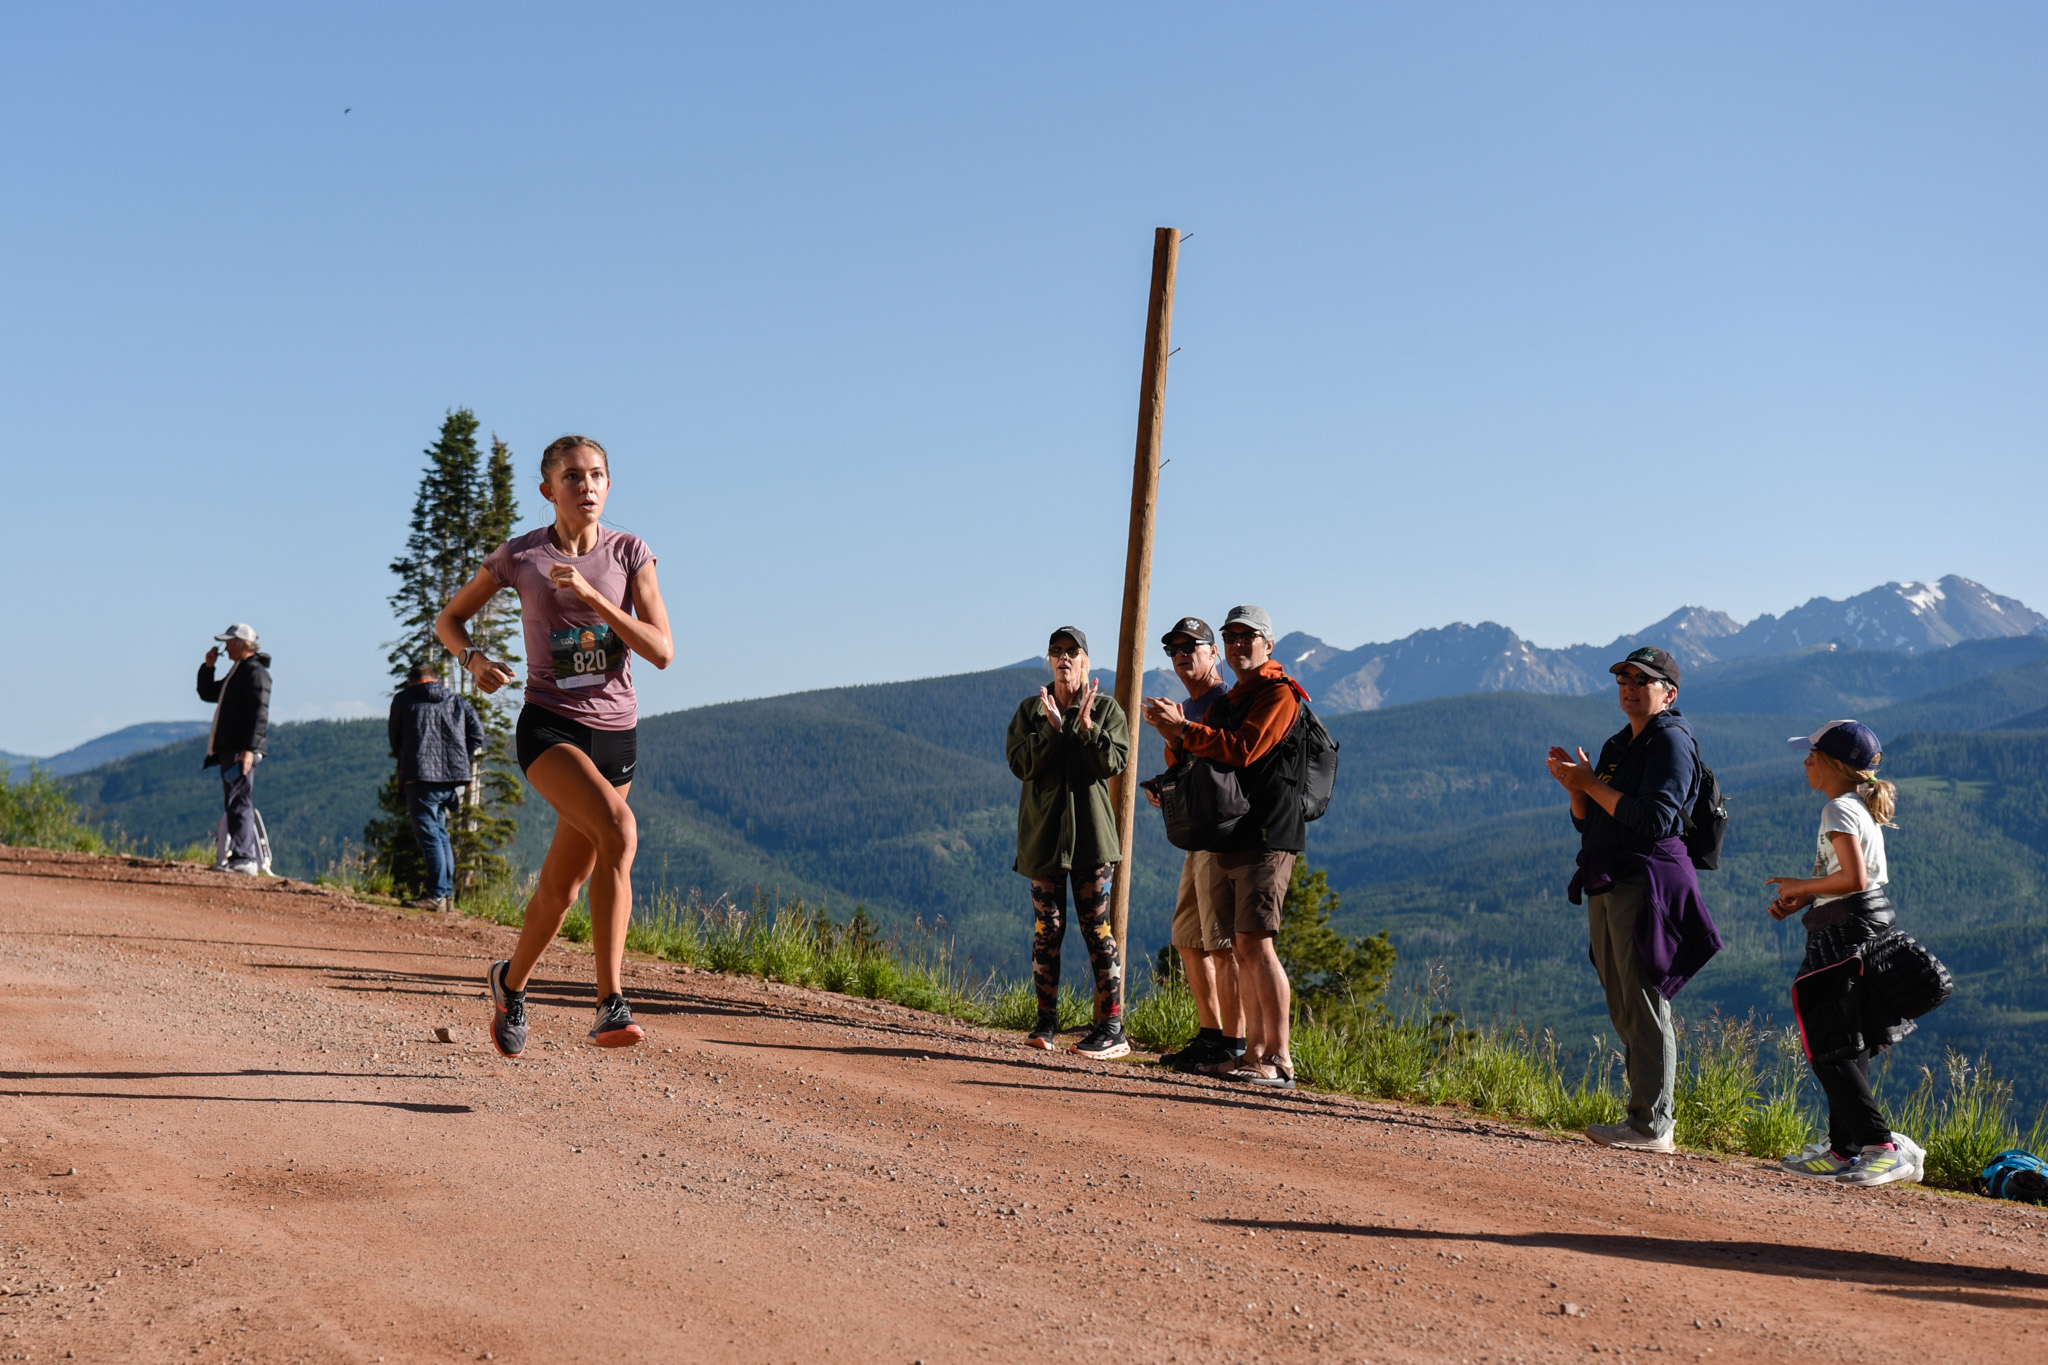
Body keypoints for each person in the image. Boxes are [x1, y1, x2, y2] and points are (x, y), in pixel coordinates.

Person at [436, 434, 673, 1057]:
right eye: (572, 477)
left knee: (563, 887)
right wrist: (474, 657)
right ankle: (609, 1004)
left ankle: (510, 984)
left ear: (610, 485)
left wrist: (597, 598)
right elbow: (449, 620)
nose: (587, 486)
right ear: (549, 491)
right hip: (550, 727)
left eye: (597, 475)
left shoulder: (630, 553)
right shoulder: (521, 557)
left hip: (617, 734)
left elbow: (662, 650)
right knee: (619, 831)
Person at [1545, 646, 1721, 1154]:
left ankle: (1651, 1125)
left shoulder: (1671, 742)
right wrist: (1576, 789)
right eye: (1622, 679)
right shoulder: (1621, 740)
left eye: (1640, 681)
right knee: (1623, 1000)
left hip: (1646, 882)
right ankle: (1642, 1116)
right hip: (1609, 876)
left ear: (1668, 693)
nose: (1628, 687)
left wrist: (1591, 783)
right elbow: (1593, 819)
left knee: (1644, 1000)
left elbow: (1656, 820)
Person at [1144, 605, 1306, 1088]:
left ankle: (1279, 1058)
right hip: (1236, 833)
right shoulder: (1239, 695)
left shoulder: (1278, 694)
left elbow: (1242, 750)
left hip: (1268, 834)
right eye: (1231, 636)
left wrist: (1182, 730)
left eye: (1247, 637)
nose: (1238, 644)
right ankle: (1253, 1051)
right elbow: (1207, 760)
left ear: (1268, 645)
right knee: (1243, 945)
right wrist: (1178, 741)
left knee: (1258, 945)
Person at [1766, 720, 1925, 1187]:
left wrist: (1802, 886)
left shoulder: (1837, 809)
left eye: (1812, 754)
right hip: (1858, 921)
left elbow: (1854, 879)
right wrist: (1807, 895)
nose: (1805, 761)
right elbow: (1857, 880)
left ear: (1835, 764)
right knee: (1846, 1040)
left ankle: (1881, 1147)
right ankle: (1844, 1149)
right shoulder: (1856, 806)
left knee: (1827, 1043)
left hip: (1845, 930)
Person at [1005, 626, 1132, 1059]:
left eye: (1071, 651)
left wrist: (1083, 728)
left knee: (1097, 931)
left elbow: (1112, 762)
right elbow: (1020, 764)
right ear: (1049, 661)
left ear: (1085, 662)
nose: (1063, 657)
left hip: (1093, 843)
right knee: (1048, 930)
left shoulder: (1107, 709)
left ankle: (1112, 1027)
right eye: (1055, 651)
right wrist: (1052, 732)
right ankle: (1046, 1024)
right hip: (1043, 841)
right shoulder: (1030, 712)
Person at [1141, 616, 1246, 1073]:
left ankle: (1233, 1042)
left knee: (1221, 943)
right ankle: (1209, 1034)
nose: (1183, 654)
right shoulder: (1188, 706)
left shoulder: (1225, 703)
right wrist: (1164, 781)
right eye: (1175, 649)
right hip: (1195, 836)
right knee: (1188, 938)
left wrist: (1179, 730)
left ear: (1213, 654)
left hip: (1222, 836)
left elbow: (1227, 763)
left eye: (1193, 646)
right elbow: (1187, 768)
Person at [387, 661, 485, 913]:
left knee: (430, 834)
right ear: (435, 680)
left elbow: (394, 736)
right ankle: (446, 895)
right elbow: (477, 734)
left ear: (412, 681)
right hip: (452, 779)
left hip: (420, 775)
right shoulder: (455, 701)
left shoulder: (404, 699)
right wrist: (463, 759)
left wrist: (405, 755)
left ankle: (437, 893)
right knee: (440, 833)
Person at [197, 623, 272, 875]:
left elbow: (259, 714)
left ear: (241, 645)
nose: (225, 647)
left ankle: (245, 858)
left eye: (229, 643)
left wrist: (249, 749)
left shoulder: (255, 673)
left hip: (241, 750)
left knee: (240, 799)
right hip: (233, 748)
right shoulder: (238, 671)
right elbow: (208, 693)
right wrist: (208, 667)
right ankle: (240, 856)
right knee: (234, 799)